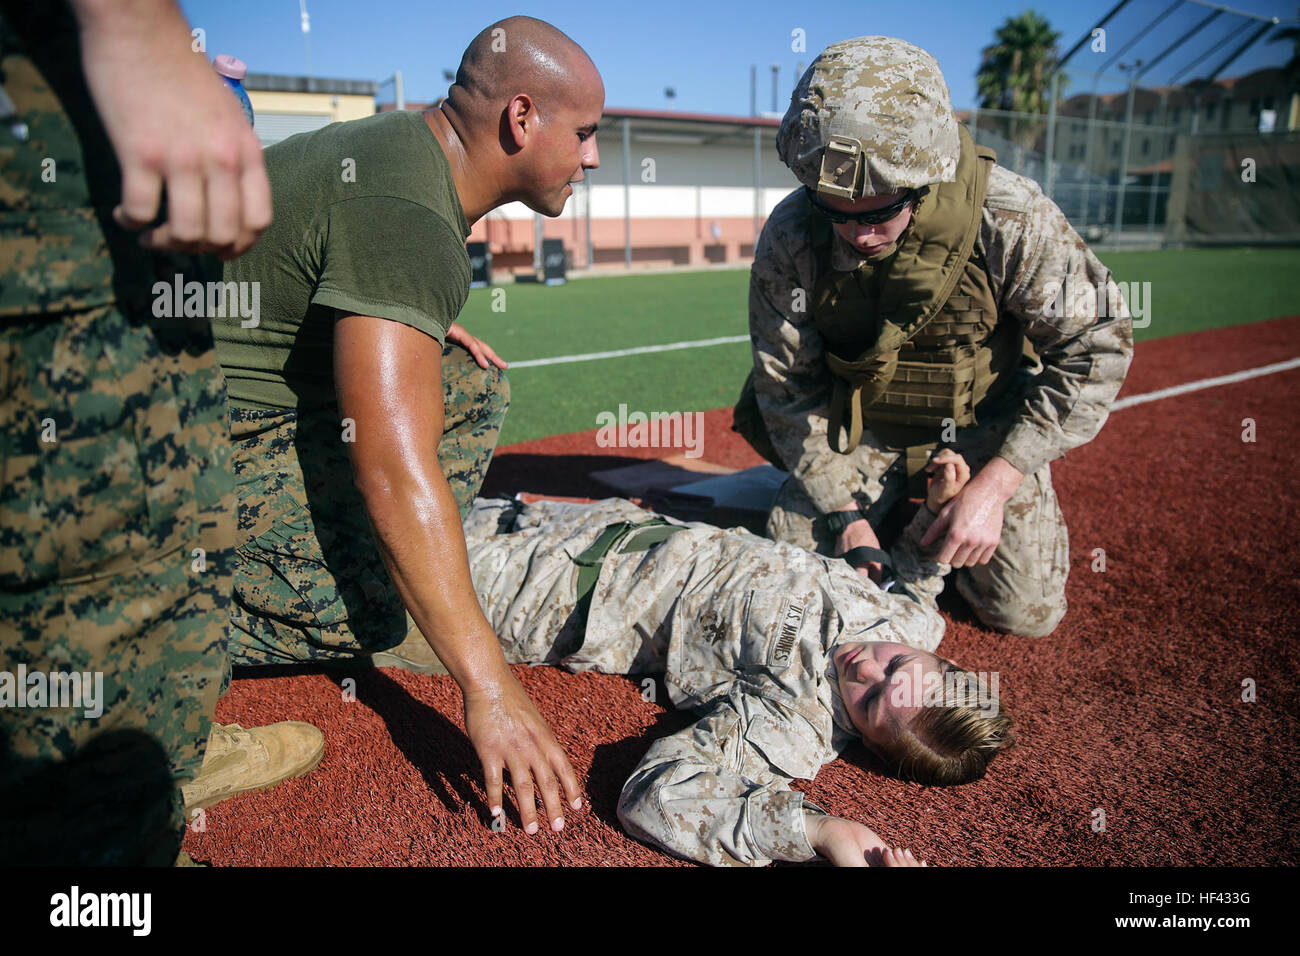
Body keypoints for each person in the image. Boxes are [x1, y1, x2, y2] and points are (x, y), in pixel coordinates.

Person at [214, 16, 603, 836]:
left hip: (185, 412)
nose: (595, 157)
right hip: (125, 462)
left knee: (463, 386)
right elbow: (391, 467)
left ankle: (372, 586)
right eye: (588, 133)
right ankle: (172, 669)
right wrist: (486, 682)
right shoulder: (409, 210)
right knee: (367, 616)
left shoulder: (401, 153)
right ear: (522, 118)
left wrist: (402, 327)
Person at [0, 0, 319, 866]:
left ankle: (160, 768)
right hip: (46, 123)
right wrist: (137, 24)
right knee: (96, 560)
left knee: (180, 510)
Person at [733, 36, 1134, 638]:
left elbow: (1094, 348)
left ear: (923, 180)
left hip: (982, 424)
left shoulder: (1009, 218)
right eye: (836, 210)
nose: (857, 235)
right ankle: (893, 514)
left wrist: (997, 485)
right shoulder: (795, 231)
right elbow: (787, 385)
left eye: (876, 213)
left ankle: (950, 502)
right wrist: (845, 515)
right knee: (797, 576)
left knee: (1025, 615)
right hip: (862, 428)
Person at [463, 449, 1012, 866]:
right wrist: (932, 517)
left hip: (540, 593)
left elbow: (657, 795)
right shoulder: (914, 626)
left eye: (869, 701)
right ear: (936, 658)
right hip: (575, 520)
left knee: (392, 537)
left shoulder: (796, 723)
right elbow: (916, 589)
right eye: (895, 666)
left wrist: (817, 831)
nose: (863, 667)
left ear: (869, 740)